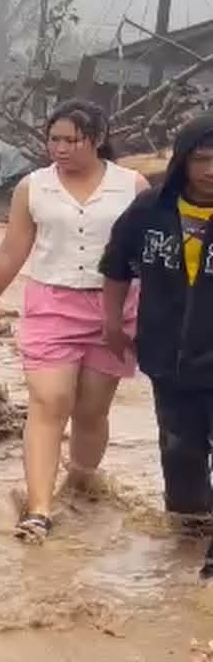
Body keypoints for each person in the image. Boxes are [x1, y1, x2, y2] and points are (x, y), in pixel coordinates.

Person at [0, 99, 145, 542]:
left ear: (97, 139)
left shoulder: (132, 186)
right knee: (49, 401)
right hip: (50, 304)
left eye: (71, 140)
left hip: (114, 308)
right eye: (54, 140)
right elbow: (13, 250)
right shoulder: (34, 187)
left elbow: (151, 252)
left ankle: (81, 484)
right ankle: (40, 509)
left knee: (90, 411)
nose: (60, 149)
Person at [101, 112, 213, 572]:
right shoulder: (149, 211)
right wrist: (111, 323)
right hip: (167, 355)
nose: (210, 171)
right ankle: (186, 543)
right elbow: (115, 267)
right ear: (182, 162)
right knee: (180, 450)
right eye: (202, 159)